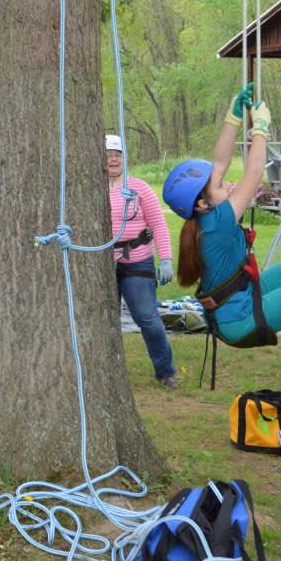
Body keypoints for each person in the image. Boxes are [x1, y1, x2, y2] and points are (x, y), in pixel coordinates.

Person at [162, 83, 281, 347]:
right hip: (241, 320)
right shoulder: (218, 222)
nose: (227, 182)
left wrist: (232, 118)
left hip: (238, 303)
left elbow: (219, 162)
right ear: (202, 202)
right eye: (221, 184)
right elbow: (255, 171)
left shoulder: (205, 218)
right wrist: (260, 129)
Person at [105, 134, 178, 388]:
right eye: (108, 155)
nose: (113, 159)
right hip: (102, 265)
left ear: (125, 158)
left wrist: (166, 258)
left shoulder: (140, 188)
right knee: (103, 319)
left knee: (147, 317)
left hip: (137, 261)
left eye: (117, 155)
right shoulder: (91, 189)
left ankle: (165, 371)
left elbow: (158, 224)